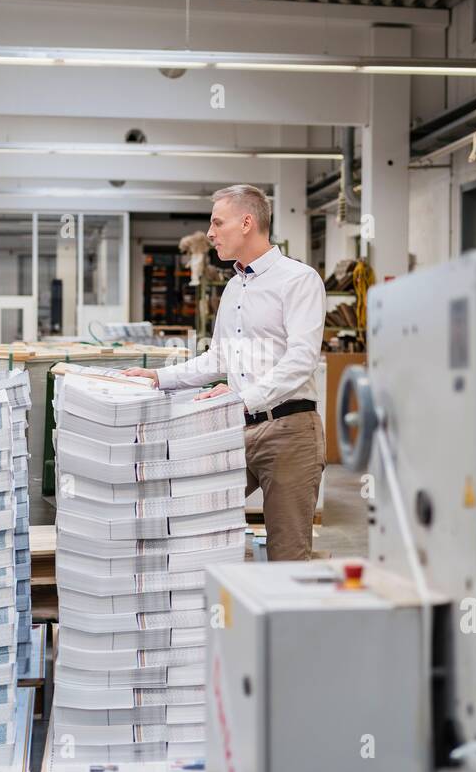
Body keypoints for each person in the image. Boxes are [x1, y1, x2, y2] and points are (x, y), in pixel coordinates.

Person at [126, 184, 326, 560]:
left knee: (287, 554)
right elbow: (218, 358)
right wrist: (158, 378)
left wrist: (241, 399)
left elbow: (301, 359)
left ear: (247, 223)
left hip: (289, 431)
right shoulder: (234, 286)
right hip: (237, 428)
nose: (210, 233)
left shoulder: (298, 279)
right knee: (195, 521)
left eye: (218, 223)